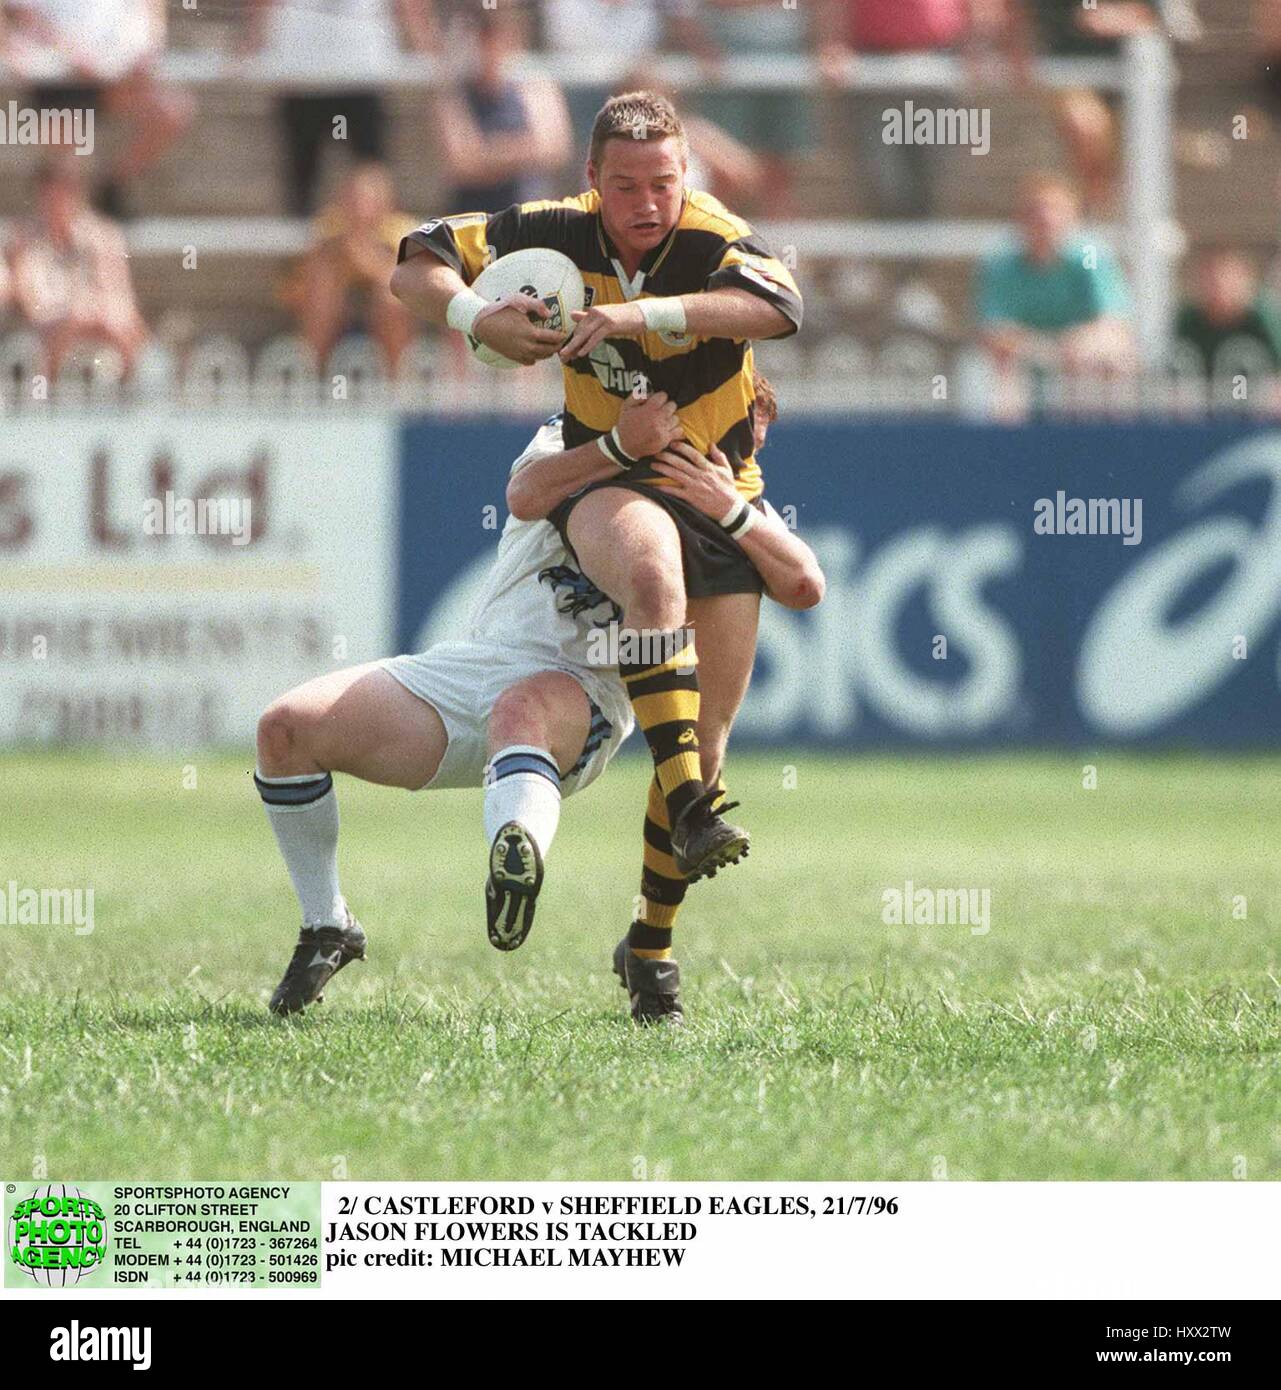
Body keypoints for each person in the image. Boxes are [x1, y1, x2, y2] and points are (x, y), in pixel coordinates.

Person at [256, 377, 824, 1025]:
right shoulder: (580, 431)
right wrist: (618, 444)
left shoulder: (723, 498)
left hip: (577, 694)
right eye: (739, 425)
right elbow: (524, 494)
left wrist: (731, 511)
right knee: (285, 731)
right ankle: (327, 926)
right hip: (470, 665)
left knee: (522, 712)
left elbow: (803, 581)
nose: (742, 448)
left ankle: (515, 854)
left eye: (752, 438)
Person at [390, 90, 804, 899]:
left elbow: (778, 308)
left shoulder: (714, 238)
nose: (647, 202)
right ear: (590, 178)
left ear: (686, 173)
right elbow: (414, 262)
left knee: (706, 742)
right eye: (625, 185)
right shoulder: (551, 228)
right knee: (653, 579)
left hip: (713, 483)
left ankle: (649, 949)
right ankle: (687, 801)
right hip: (608, 469)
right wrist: (475, 316)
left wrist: (636, 317)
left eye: (663, 182)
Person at [239, 0, 439, 217]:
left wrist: (427, 50)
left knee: (373, 183)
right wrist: (250, 43)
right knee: (301, 188)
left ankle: (378, 248)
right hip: (303, 74)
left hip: (361, 74)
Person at [2, 0, 194, 219]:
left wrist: (149, 48)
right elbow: (17, 10)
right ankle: (61, 222)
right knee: (65, 146)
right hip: (55, 78)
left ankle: (111, 186)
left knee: (170, 110)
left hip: (113, 76)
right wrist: (71, 53)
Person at [975, 172, 1134, 411]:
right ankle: (1008, 445)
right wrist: (1046, 350)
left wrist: (1078, 344)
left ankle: (1109, 438)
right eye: (1035, 210)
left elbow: (1113, 322)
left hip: (1083, 352)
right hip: (1029, 355)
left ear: (1073, 215)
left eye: (1054, 209)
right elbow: (994, 332)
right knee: (999, 371)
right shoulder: (1000, 265)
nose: (1045, 218)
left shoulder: (1091, 257)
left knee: (1109, 353)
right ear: (1020, 218)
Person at [7, 154, 149, 379]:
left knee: (124, 329)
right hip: (49, 325)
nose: (56, 199)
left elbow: (120, 295)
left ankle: (130, 400)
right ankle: (45, 398)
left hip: (100, 318)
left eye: (65, 189)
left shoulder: (104, 236)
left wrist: (93, 312)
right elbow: (32, 302)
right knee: (68, 324)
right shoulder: (23, 240)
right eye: (50, 190)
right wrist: (72, 315)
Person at [284, 162, 418, 376]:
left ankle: (397, 383)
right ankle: (311, 377)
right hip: (338, 309)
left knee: (391, 298)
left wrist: (367, 260)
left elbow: (406, 281)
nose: (359, 207)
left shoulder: (401, 232)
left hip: (382, 312)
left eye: (367, 199)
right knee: (321, 292)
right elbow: (305, 276)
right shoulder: (330, 228)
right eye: (353, 198)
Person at [1174, 247, 1281, 400]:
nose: (1217, 285)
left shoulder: (1261, 318)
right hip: (1203, 411)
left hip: (1256, 410)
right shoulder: (1188, 319)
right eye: (1210, 278)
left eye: (1224, 277)